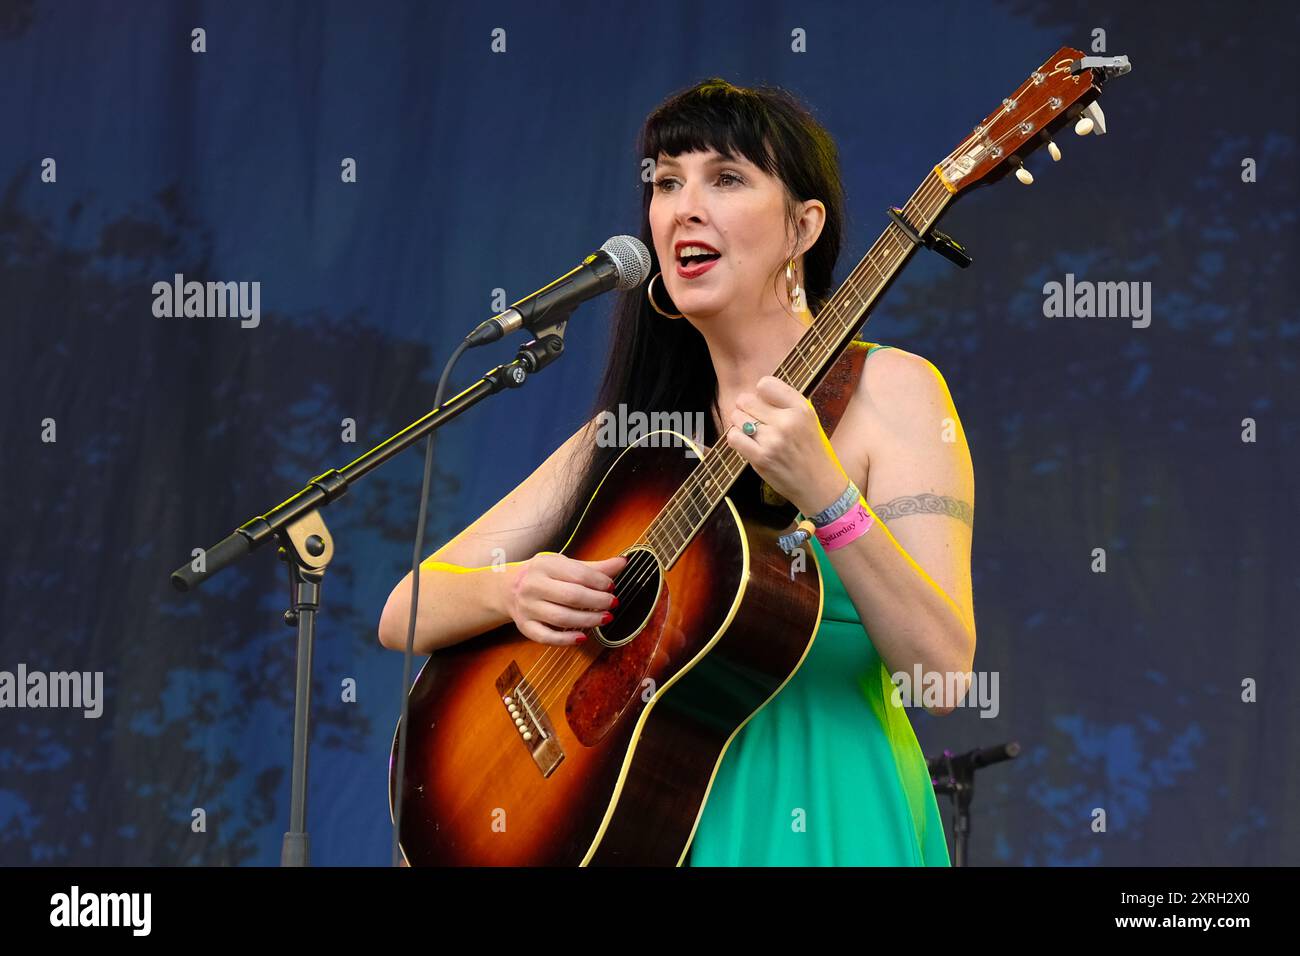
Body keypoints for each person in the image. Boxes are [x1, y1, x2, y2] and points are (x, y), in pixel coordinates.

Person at [379, 77, 974, 866]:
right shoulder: (632, 442)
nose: (682, 206)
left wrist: (828, 495)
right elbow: (404, 610)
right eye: (665, 182)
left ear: (803, 226)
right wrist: (511, 590)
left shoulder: (893, 392)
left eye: (725, 178)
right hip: (650, 831)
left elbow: (943, 676)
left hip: (832, 823)